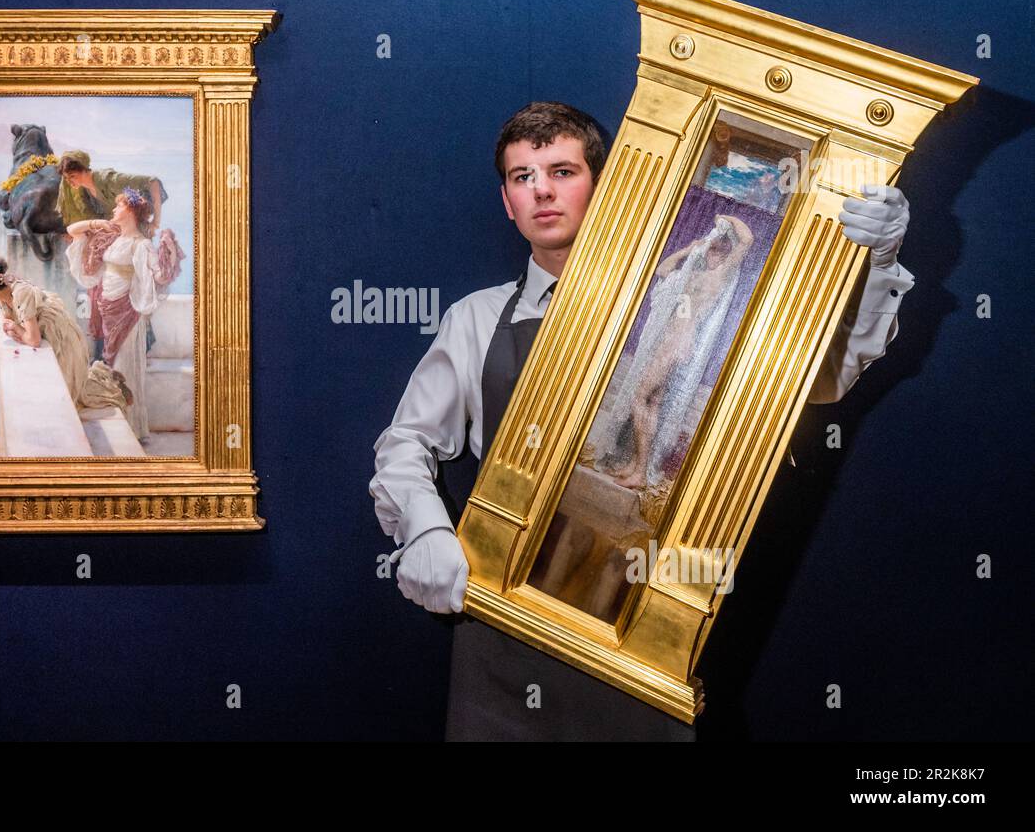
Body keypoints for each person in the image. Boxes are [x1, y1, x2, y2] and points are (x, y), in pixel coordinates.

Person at [368, 101, 917, 740]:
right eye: (523, 177)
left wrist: (880, 264)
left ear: (605, 185)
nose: (541, 189)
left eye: (562, 170)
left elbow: (826, 378)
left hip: (651, 634)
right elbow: (405, 443)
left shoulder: (701, 308)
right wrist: (425, 528)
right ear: (507, 203)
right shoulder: (475, 318)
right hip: (503, 627)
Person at [600, 214, 753, 490]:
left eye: (718, 247)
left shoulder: (720, 275)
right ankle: (638, 466)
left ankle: (642, 469)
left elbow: (747, 239)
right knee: (653, 401)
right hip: (669, 340)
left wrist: (726, 220)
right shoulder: (694, 272)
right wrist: (691, 247)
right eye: (712, 247)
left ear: (725, 251)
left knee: (639, 396)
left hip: (677, 342)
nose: (712, 252)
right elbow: (662, 270)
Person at [65, 189, 175, 443]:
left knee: (125, 368)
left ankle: (132, 426)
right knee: (111, 365)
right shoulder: (113, 236)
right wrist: (95, 223)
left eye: (118, 207)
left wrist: (167, 254)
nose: (113, 211)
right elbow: (73, 230)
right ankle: (120, 420)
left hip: (127, 312)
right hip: (106, 308)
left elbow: (158, 277)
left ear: (131, 211)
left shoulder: (142, 244)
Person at [0, 256, 90, 405]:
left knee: (61, 398)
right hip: (48, 334)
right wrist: (17, 330)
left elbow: (33, 340)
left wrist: (17, 329)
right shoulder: (3, 299)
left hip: (62, 339)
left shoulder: (20, 293)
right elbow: (10, 328)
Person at [57, 149, 166, 229]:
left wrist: (155, 223)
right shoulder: (83, 191)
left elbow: (153, 182)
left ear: (84, 169)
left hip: (134, 231)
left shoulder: (110, 180)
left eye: (72, 176)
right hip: (113, 232)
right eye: (66, 178)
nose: (69, 182)